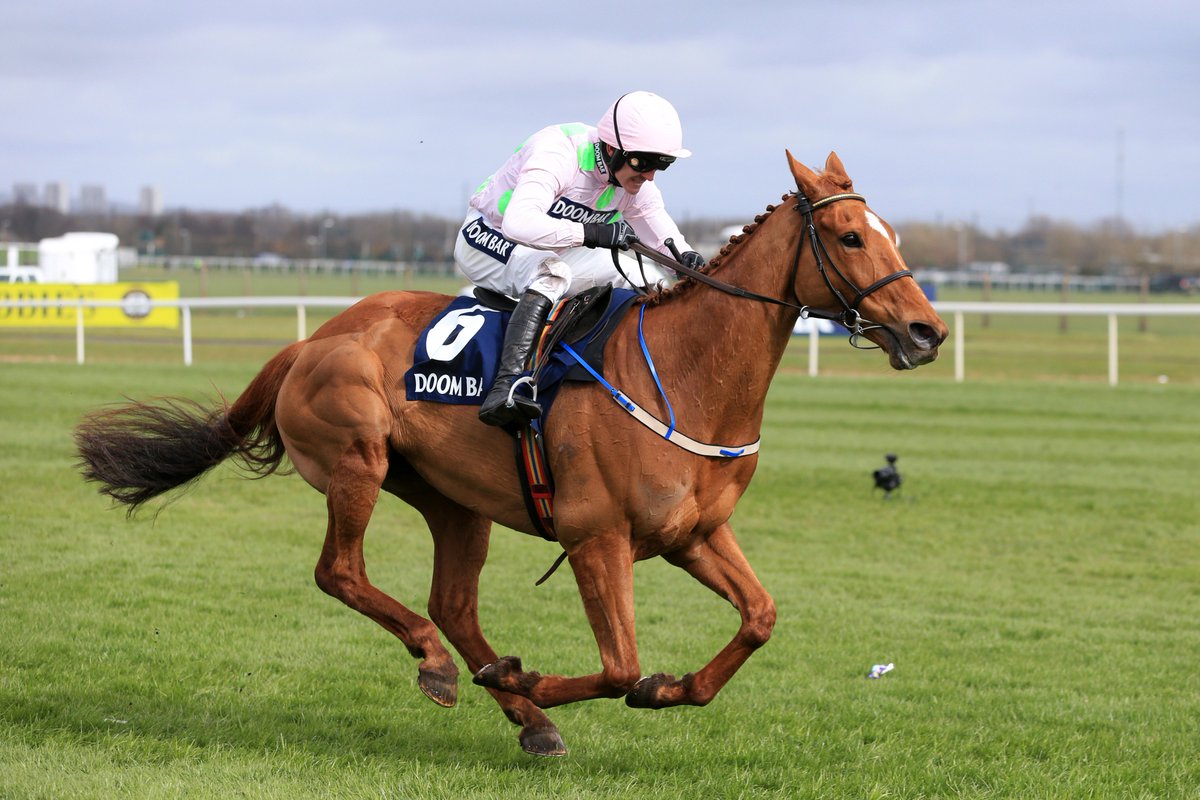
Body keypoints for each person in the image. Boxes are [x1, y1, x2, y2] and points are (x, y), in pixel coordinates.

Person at [454, 90, 706, 428]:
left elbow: (663, 236)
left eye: (662, 165)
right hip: (488, 236)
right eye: (644, 163)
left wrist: (688, 259)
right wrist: (592, 233)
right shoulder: (558, 151)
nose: (649, 176)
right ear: (614, 149)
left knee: (646, 277)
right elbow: (519, 222)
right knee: (552, 273)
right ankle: (507, 387)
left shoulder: (631, 180)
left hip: (549, 247)